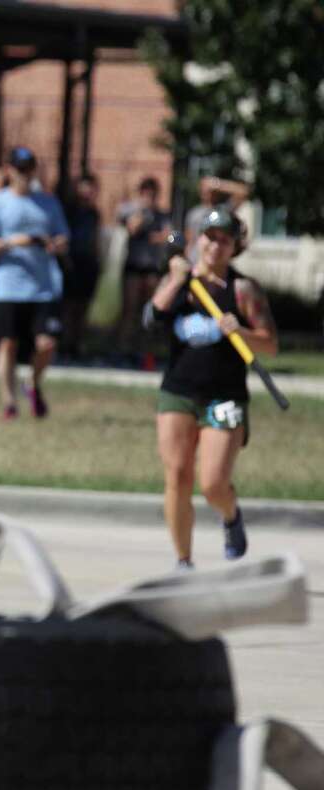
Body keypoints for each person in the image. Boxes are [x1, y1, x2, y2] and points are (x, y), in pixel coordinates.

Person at [146, 207, 276, 570]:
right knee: (176, 475)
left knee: (213, 483)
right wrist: (174, 280)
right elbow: (152, 319)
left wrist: (242, 331)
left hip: (225, 395)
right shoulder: (181, 281)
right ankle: (183, 561)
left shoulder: (243, 289)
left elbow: (270, 344)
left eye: (224, 240)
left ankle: (230, 515)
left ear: (234, 247)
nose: (214, 246)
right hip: (178, 391)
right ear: (197, 239)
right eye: (209, 237)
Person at [0, 146, 70, 419]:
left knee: (47, 344)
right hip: (8, 286)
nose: (25, 174)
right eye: (20, 168)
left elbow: (64, 237)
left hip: (44, 286)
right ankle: (9, 402)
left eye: (29, 168)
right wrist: (13, 242)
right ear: (9, 170)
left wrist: (56, 244)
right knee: (7, 344)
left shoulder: (49, 203)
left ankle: (32, 383)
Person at [116, 177, 172, 365]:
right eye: (146, 194)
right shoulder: (130, 210)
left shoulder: (162, 215)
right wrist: (142, 211)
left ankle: (144, 351)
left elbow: (168, 236)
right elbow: (133, 228)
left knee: (147, 313)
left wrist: (156, 235)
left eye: (153, 194)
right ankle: (123, 349)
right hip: (133, 267)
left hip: (152, 269)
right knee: (129, 310)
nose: (150, 198)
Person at [61, 174, 103, 359]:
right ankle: (65, 343)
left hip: (88, 263)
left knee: (83, 306)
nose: (87, 192)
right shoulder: (69, 211)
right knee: (69, 305)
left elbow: (94, 239)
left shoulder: (94, 213)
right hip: (72, 262)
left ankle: (77, 343)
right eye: (84, 187)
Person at [185, 175, 249, 257]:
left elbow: (242, 192)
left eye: (209, 189)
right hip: (196, 258)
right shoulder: (193, 213)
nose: (207, 191)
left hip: (215, 256)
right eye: (204, 187)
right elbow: (190, 240)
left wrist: (218, 184)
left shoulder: (223, 210)